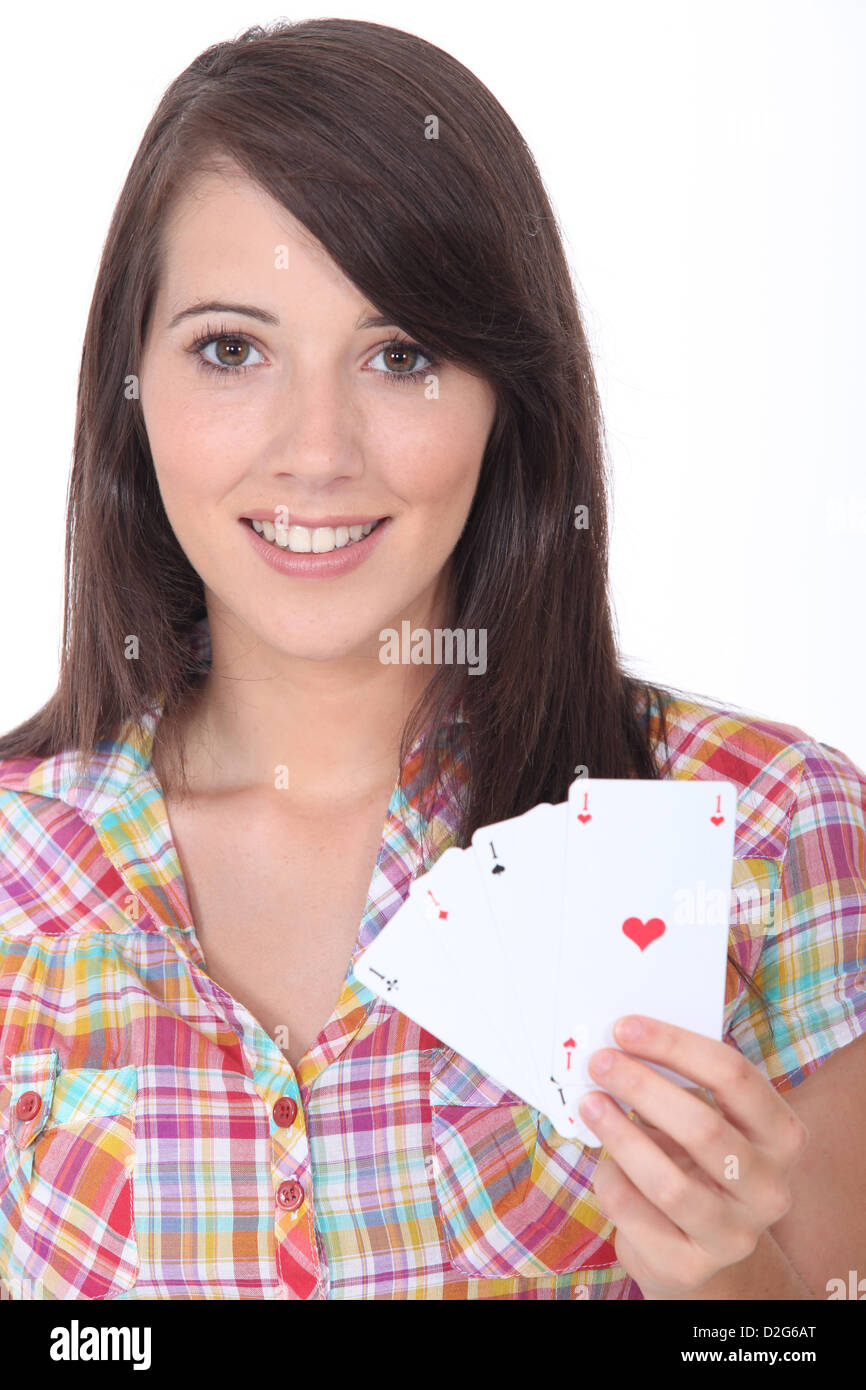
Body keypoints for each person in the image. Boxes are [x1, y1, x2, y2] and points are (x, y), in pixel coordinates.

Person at [0, 18, 863, 1302]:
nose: (315, 452)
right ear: (130, 387)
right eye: (231, 349)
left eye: (400, 356)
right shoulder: (17, 870)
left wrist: (730, 1281)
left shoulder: (771, 825)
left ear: (508, 396)